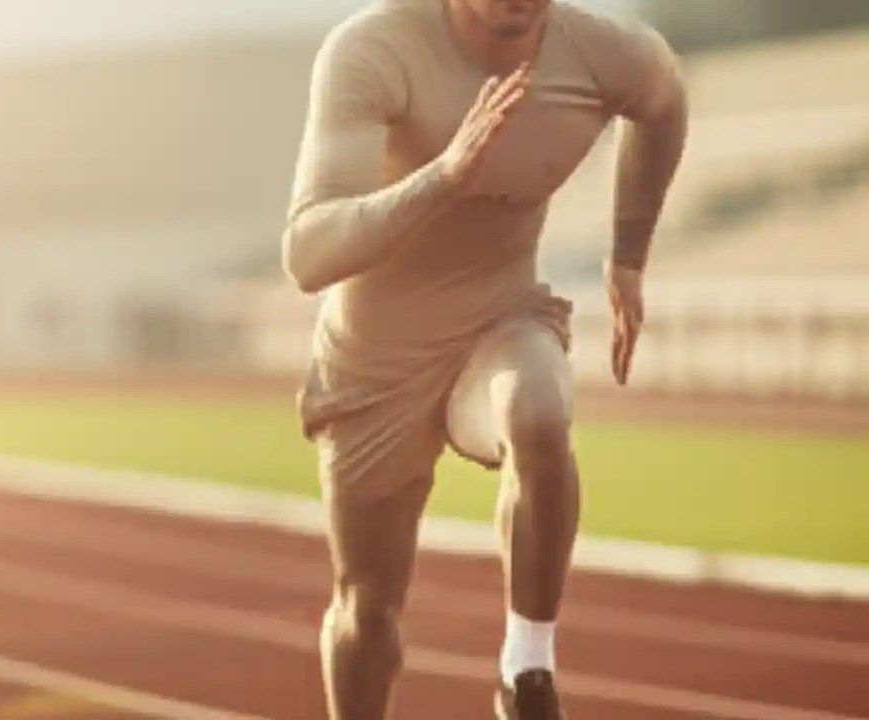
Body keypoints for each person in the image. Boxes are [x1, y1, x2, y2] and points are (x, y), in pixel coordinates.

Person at [281, 0, 688, 717]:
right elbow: (309, 252)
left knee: (538, 411)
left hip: (498, 322)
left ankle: (524, 673)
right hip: (374, 363)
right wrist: (442, 176)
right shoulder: (373, 50)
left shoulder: (600, 52)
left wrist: (629, 252)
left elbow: (663, 99)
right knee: (367, 610)